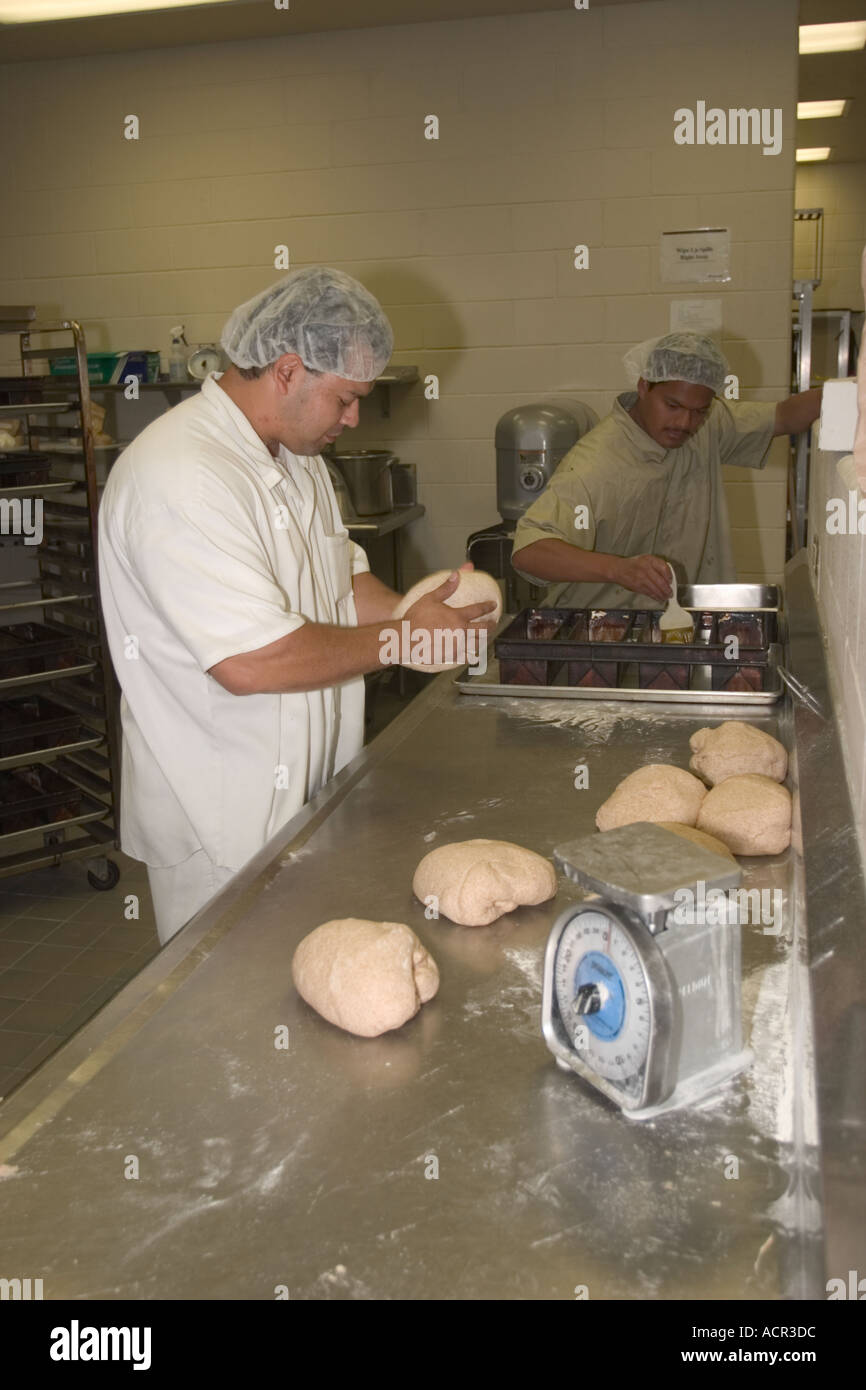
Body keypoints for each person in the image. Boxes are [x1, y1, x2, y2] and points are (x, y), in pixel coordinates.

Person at [98, 267, 495, 944]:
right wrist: (402, 642)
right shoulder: (181, 475)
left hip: (307, 794)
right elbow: (249, 662)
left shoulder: (298, 458)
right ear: (286, 371)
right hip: (222, 818)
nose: (354, 418)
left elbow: (340, 583)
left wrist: (424, 611)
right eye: (346, 398)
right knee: (226, 1016)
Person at [511, 332, 822, 608]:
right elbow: (529, 551)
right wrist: (618, 569)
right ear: (644, 386)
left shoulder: (706, 427)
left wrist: (853, 389)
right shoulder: (595, 466)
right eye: (672, 406)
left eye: (698, 411)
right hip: (600, 639)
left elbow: (784, 416)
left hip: (679, 629)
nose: (684, 423)